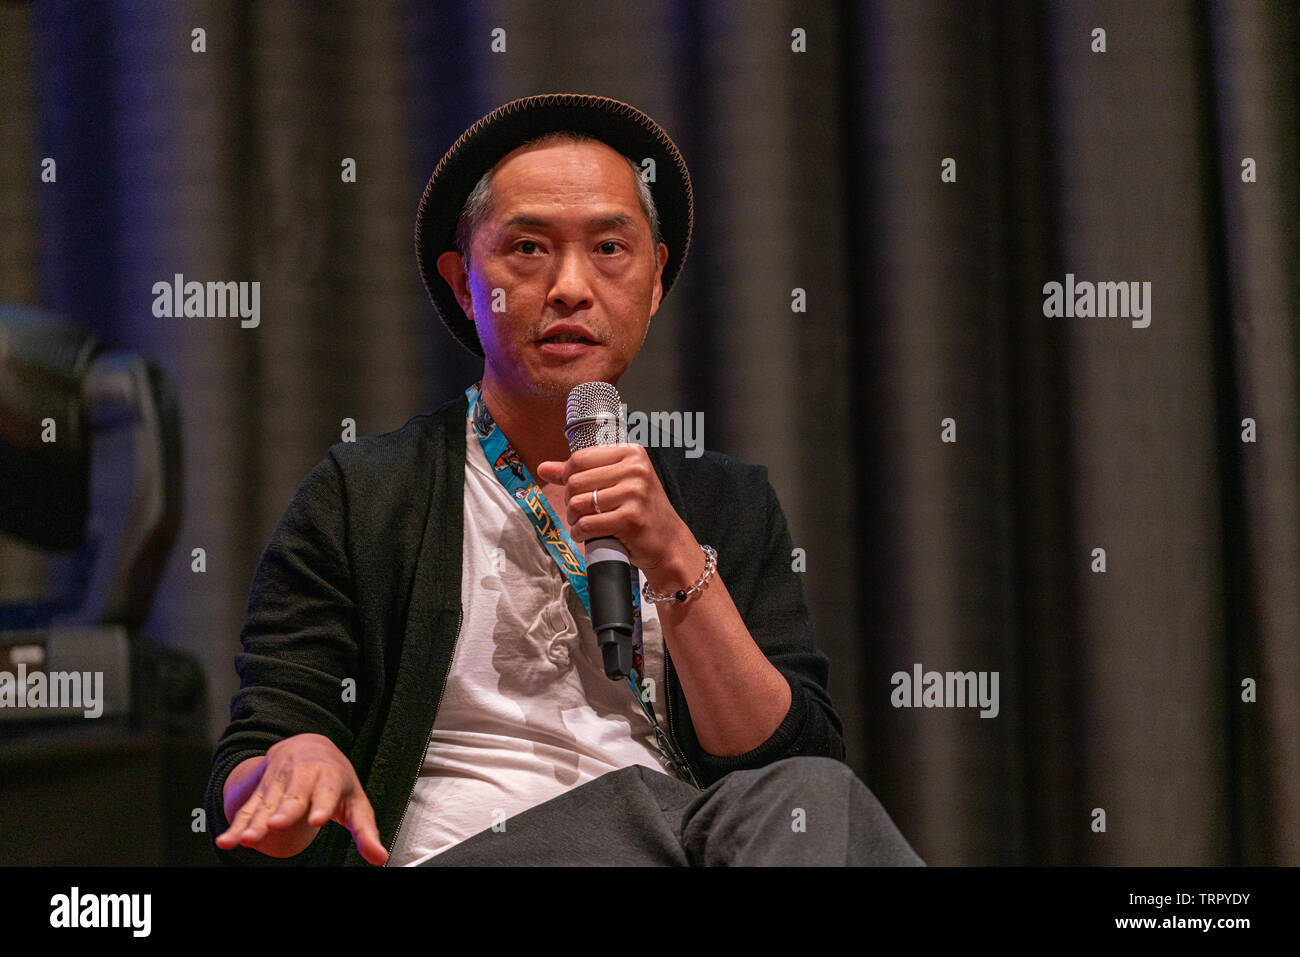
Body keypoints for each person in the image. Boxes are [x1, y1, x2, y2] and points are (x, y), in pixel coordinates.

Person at [204, 93, 922, 867]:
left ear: (655, 282)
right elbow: (255, 757)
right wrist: (294, 763)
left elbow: (795, 778)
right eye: (528, 249)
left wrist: (677, 558)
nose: (571, 286)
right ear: (461, 282)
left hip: (689, 845)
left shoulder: (726, 504)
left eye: (610, 248)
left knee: (816, 794)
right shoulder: (366, 494)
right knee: (645, 806)